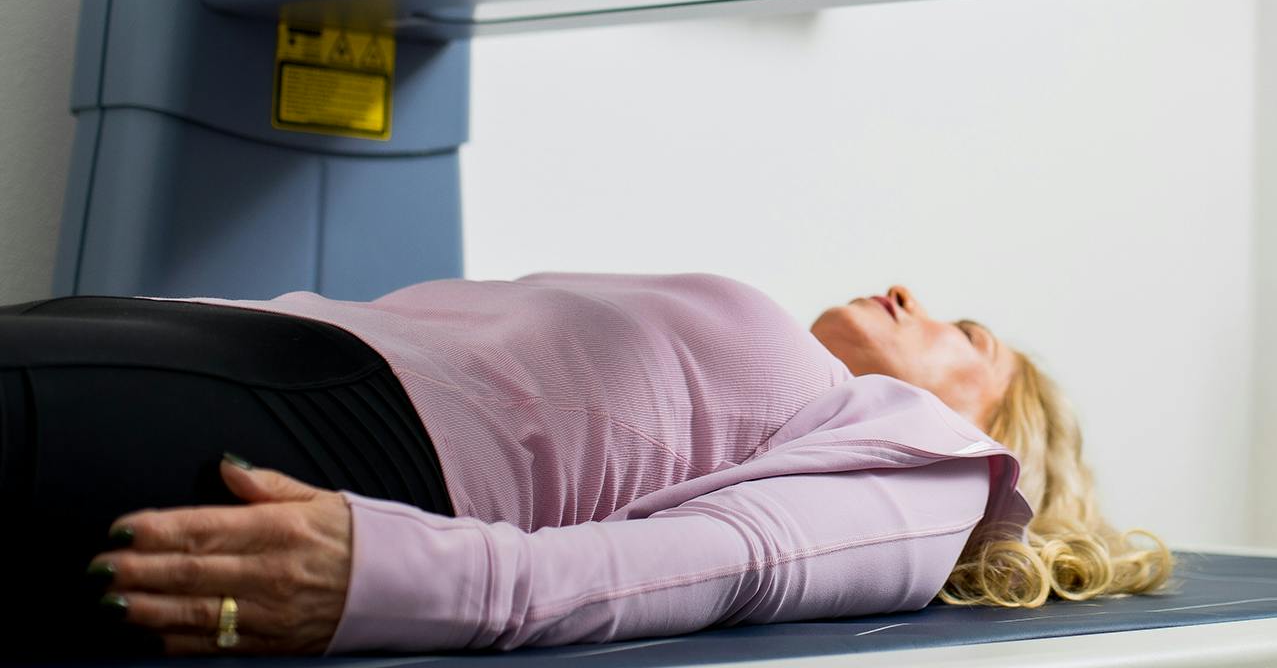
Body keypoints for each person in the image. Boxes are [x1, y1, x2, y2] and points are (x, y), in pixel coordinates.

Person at [0, 274, 1171, 658]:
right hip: (243, 342)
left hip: (319, 441)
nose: (915, 294)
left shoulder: (942, 475)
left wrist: (387, 575)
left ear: (1006, 439)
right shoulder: (822, 401)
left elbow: (724, 566)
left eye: (967, 337)